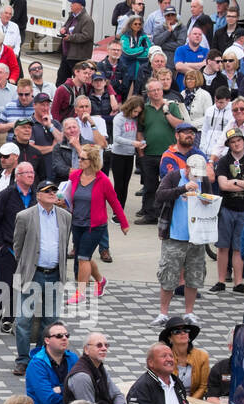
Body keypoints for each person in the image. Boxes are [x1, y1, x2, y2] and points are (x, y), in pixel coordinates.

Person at [12, 181, 70, 376]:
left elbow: (64, 244)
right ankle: (22, 360)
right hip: (32, 274)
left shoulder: (64, 217)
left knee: (50, 320)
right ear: (38, 195)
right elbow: (18, 247)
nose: (52, 193)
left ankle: (39, 357)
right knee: (23, 320)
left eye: (54, 190)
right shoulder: (25, 216)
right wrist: (26, 266)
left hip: (54, 274)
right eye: (47, 191)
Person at [63, 145, 129, 304]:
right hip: (77, 223)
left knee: (83, 258)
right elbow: (67, 195)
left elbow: (115, 202)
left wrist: (123, 223)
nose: (79, 161)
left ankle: (80, 293)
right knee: (83, 256)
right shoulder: (75, 176)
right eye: (79, 158)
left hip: (95, 226)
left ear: (92, 161)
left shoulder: (103, 180)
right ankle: (100, 280)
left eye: (83, 159)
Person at [154, 152, 214, 324]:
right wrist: (182, 189)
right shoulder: (174, 176)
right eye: (194, 173)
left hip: (196, 236)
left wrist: (206, 201)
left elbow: (210, 200)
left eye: (200, 175)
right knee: (168, 274)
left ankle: (189, 312)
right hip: (174, 235)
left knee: (194, 275)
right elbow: (160, 195)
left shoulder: (205, 181)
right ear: (186, 168)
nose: (197, 177)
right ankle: (163, 312)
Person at [0, 160, 36, 336]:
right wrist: (0, 244)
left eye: (32, 172)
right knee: (3, 288)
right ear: (18, 176)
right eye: (27, 173)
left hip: (29, 252)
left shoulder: (37, 196)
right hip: (9, 249)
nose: (31, 175)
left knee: (21, 288)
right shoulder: (7, 194)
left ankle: (9, 321)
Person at [136, 79, 187, 223]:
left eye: (159, 89)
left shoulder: (171, 106)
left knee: (170, 185)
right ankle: (150, 214)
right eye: (153, 90)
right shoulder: (144, 109)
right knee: (149, 186)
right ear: (148, 93)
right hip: (149, 154)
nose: (157, 92)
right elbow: (140, 131)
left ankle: (170, 214)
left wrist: (167, 112)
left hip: (169, 155)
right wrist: (141, 153)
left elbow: (180, 125)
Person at [26, 321, 79, 404]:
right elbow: (48, 400)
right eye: (59, 336)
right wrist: (71, 391)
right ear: (47, 340)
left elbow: (83, 388)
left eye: (67, 335)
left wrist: (60, 389)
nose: (64, 338)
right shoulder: (36, 365)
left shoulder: (73, 358)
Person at [65, 331, 127, 404]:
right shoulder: (81, 377)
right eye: (99, 345)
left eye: (106, 345)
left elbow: (118, 395)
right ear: (86, 350)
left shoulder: (99, 368)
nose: (104, 348)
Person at [213, 126, 244, 290]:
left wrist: (234, 182)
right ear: (229, 144)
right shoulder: (224, 161)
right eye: (232, 142)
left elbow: (229, 183)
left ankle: (238, 282)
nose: (236, 144)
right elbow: (223, 185)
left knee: (238, 248)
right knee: (223, 246)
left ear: (243, 141)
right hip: (227, 208)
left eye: (239, 140)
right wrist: (242, 185)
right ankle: (221, 281)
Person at [159, 315, 212, 397]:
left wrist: (190, 403)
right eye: (177, 332)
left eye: (186, 330)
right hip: (169, 398)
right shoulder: (163, 358)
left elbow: (203, 386)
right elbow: (161, 385)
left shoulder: (202, 356)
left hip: (194, 402)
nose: (183, 333)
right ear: (170, 338)